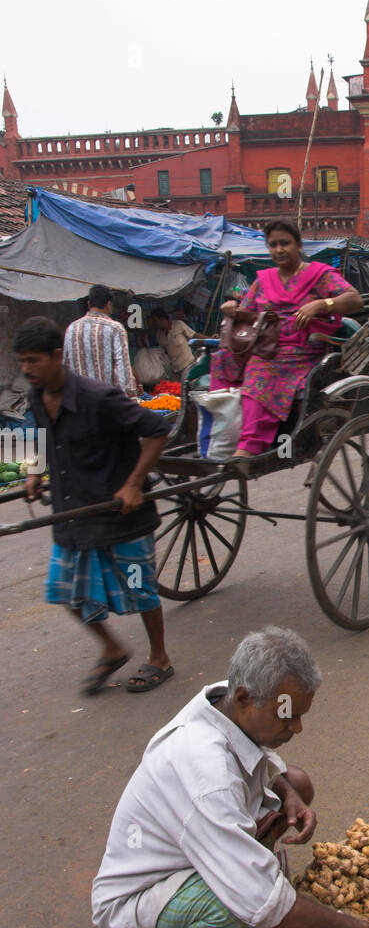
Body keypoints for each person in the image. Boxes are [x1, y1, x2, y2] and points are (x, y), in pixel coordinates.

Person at [91, 627, 369, 928]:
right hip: (139, 896)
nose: (296, 728)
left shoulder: (225, 698)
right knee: (247, 915)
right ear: (245, 698)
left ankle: (236, 871)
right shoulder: (205, 772)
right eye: (288, 715)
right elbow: (262, 901)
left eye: (300, 715)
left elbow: (257, 755)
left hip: (193, 848)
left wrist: (288, 792)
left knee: (295, 782)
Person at [15, 317, 174, 695]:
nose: (26, 369)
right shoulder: (35, 397)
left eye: (33, 361)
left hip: (121, 514)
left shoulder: (98, 397)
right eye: (21, 361)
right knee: (63, 590)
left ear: (57, 356)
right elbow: (33, 436)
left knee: (142, 590)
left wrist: (134, 484)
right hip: (75, 511)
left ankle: (160, 657)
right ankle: (112, 646)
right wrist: (33, 473)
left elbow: (157, 429)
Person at [215, 219, 363, 456]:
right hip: (266, 347)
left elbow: (355, 300)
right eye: (273, 245)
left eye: (285, 243)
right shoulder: (263, 280)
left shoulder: (320, 274)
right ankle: (220, 436)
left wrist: (321, 304)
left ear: (299, 246)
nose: (279, 250)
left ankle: (249, 445)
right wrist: (233, 308)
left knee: (259, 372)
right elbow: (247, 313)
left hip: (303, 354)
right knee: (220, 359)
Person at [62, 283, 138, 398]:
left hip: (80, 401)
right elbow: (123, 368)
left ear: (88, 304)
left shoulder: (72, 328)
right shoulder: (115, 329)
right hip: (106, 401)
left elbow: (65, 366)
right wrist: (131, 394)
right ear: (109, 304)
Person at [150, 308, 197, 379]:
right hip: (174, 369)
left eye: (155, 321)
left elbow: (194, 335)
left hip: (188, 365)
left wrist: (211, 339)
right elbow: (165, 351)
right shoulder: (159, 334)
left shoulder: (179, 324)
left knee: (184, 387)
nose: (154, 324)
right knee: (174, 387)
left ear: (162, 319)